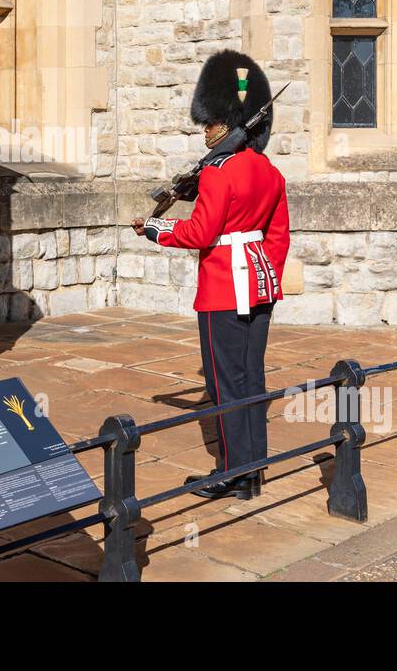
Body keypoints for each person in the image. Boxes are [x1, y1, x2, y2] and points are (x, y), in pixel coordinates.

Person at [131, 50, 289, 500]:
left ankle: (232, 473)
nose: (205, 130)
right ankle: (253, 469)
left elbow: (201, 233)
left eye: (210, 122)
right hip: (259, 287)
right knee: (251, 377)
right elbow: (278, 238)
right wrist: (266, 280)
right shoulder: (269, 172)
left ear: (227, 122)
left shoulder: (220, 173)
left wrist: (156, 229)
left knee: (224, 382)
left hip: (223, 287)